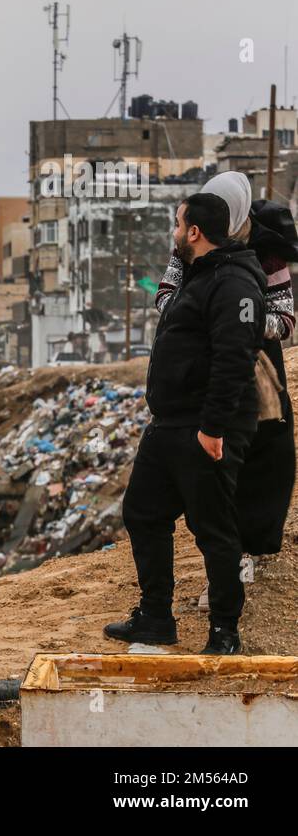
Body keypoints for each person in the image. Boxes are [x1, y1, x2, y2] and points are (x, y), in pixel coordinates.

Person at [107, 190, 266, 655]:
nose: (174, 233)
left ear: (194, 232)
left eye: (178, 225)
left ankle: (224, 631)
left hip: (206, 428)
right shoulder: (200, 276)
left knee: (212, 528)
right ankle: (156, 617)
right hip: (170, 424)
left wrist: (214, 429)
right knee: (143, 512)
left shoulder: (235, 282)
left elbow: (234, 360)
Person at [153, 173, 298, 608]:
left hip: (250, 369)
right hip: (193, 371)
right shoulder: (190, 245)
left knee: (253, 461)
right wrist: (198, 318)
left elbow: (285, 321)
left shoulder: (266, 254)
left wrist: (240, 324)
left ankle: (242, 562)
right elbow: (164, 297)